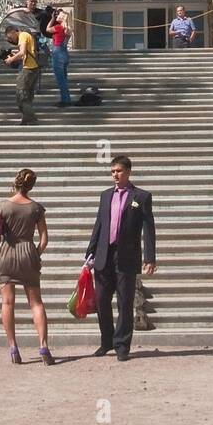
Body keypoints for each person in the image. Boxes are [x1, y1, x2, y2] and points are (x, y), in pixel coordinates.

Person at [84, 155, 156, 362]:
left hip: (127, 256)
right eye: (112, 171)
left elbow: (149, 229)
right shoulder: (105, 195)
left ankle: (122, 345)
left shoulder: (141, 196)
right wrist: (90, 252)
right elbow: (99, 224)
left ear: (128, 172)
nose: (115, 175)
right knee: (101, 300)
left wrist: (150, 257)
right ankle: (106, 340)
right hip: (104, 255)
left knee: (125, 301)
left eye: (119, 171)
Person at [0, 169, 53, 365]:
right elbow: (44, 238)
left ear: (15, 183)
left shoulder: (2, 207)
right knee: (36, 303)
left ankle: (13, 348)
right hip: (28, 252)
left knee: (7, 303)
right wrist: (35, 253)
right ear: (31, 185)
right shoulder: (37, 208)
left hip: (7, 253)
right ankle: (43, 345)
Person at [3, 23, 40, 124]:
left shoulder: (23, 35)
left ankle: (31, 118)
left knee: (21, 95)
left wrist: (11, 59)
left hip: (28, 69)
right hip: (34, 68)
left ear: (14, 32)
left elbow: (22, 52)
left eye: (10, 37)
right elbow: (25, 53)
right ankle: (26, 119)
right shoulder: (27, 35)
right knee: (27, 95)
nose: (11, 40)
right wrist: (16, 56)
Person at [49, 9, 73, 106]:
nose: (57, 16)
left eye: (58, 15)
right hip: (64, 52)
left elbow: (47, 29)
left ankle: (65, 100)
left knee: (60, 79)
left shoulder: (58, 27)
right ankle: (67, 99)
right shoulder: (68, 29)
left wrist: (51, 19)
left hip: (57, 52)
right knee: (64, 79)